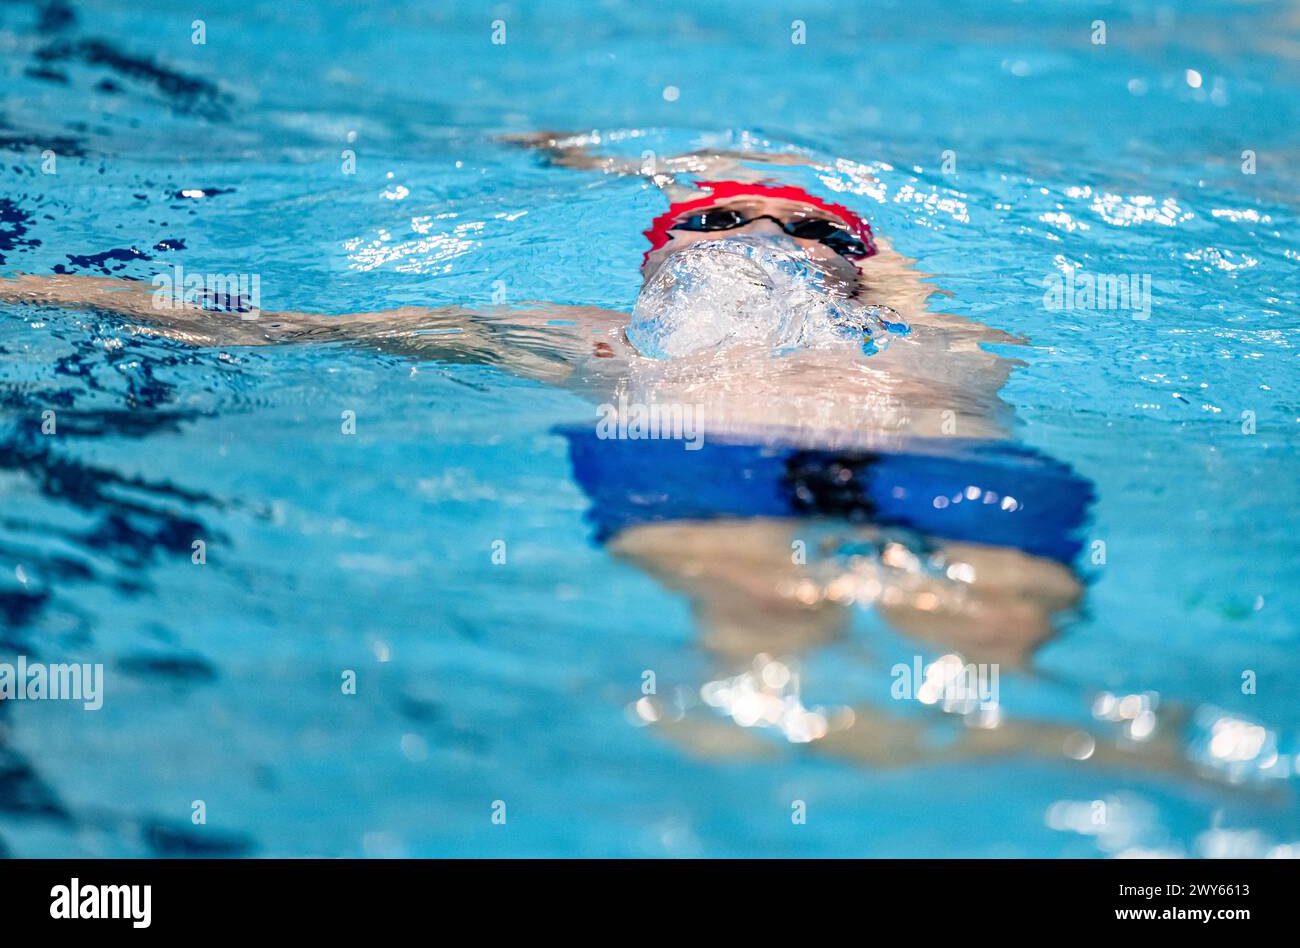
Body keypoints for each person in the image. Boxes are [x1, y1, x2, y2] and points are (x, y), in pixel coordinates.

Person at [1, 131, 1112, 766]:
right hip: (696, 463)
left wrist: (708, 181)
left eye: (813, 230)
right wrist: (51, 290)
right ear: (652, 263)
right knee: (757, 648)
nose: (765, 236)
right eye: (715, 221)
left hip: (945, 465)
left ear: (860, 266)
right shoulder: (584, 332)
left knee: (1003, 665)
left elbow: (847, 232)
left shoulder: (927, 331)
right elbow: (283, 326)